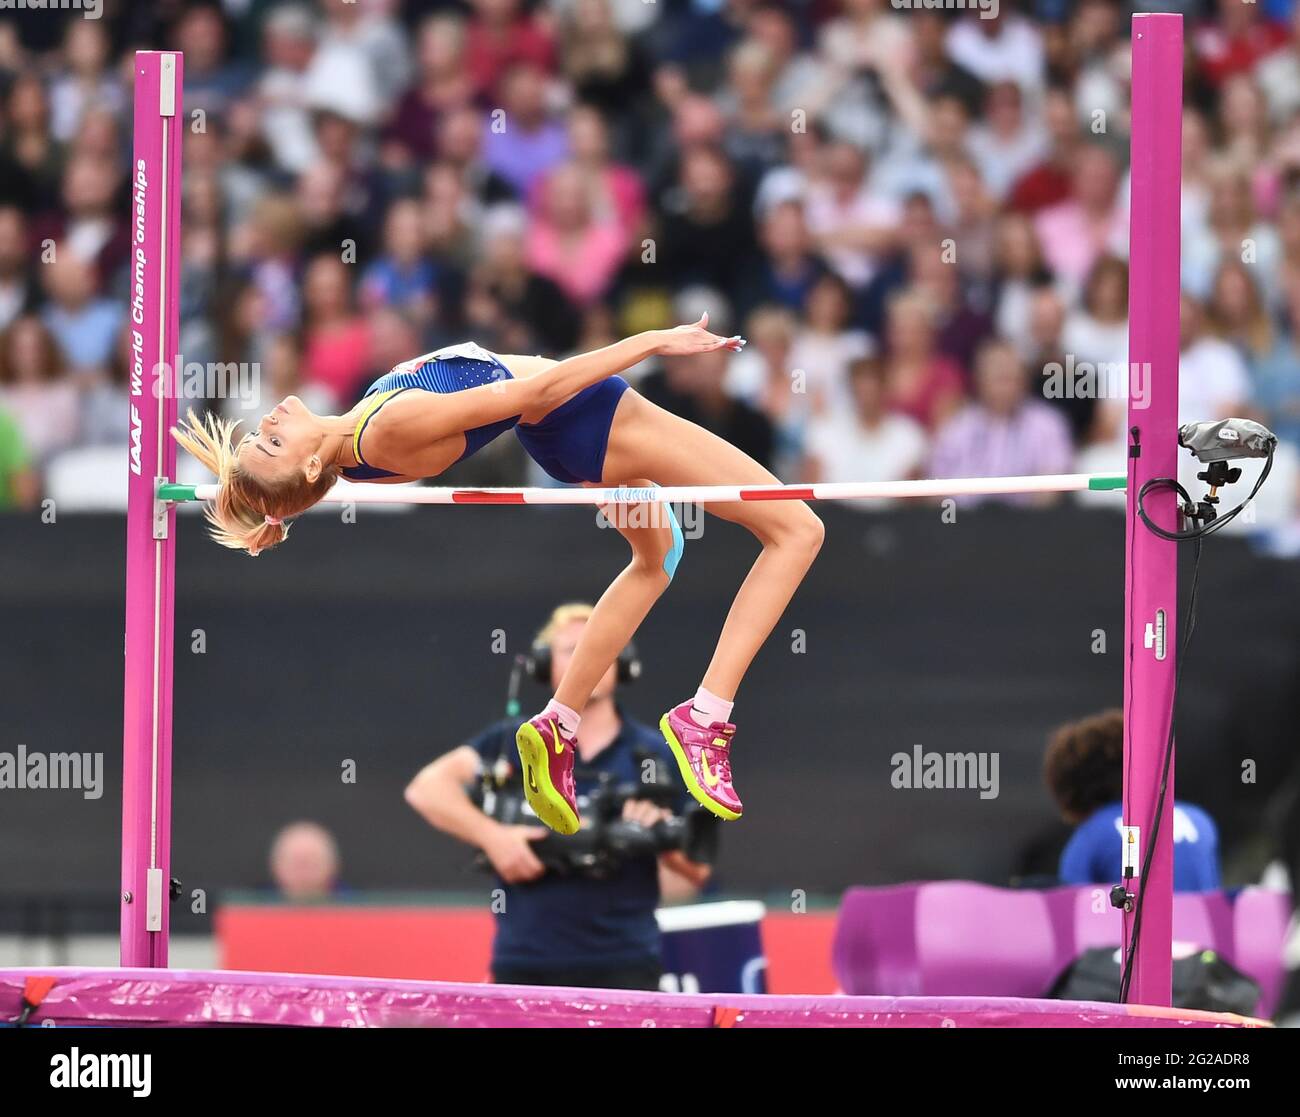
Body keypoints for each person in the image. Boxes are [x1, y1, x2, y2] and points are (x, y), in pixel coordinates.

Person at [172, 318, 825, 835]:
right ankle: (704, 717)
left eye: (258, 436)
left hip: (568, 438)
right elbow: (536, 392)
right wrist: (652, 342)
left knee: (657, 560)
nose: (266, 423)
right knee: (796, 529)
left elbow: (506, 406)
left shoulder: (353, 446)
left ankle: (558, 723)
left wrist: (261, 508)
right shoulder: (384, 429)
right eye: (273, 444)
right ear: (310, 467)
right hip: (592, 418)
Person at [404, 603, 711, 990]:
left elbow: (699, 867)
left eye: (603, 646)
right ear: (543, 666)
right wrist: (493, 838)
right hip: (524, 963)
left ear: (624, 665)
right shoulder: (517, 742)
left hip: (627, 965)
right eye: (573, 650)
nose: (591, 658)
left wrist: (656, 837)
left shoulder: (655, 753)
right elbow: (426, 789)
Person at [1044, 709, 1222, 892]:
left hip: (1130, 922)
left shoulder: (1090, 838)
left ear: (1071, 781)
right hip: (1198, 921)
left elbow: (1074, 913)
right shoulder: (1200, 821)